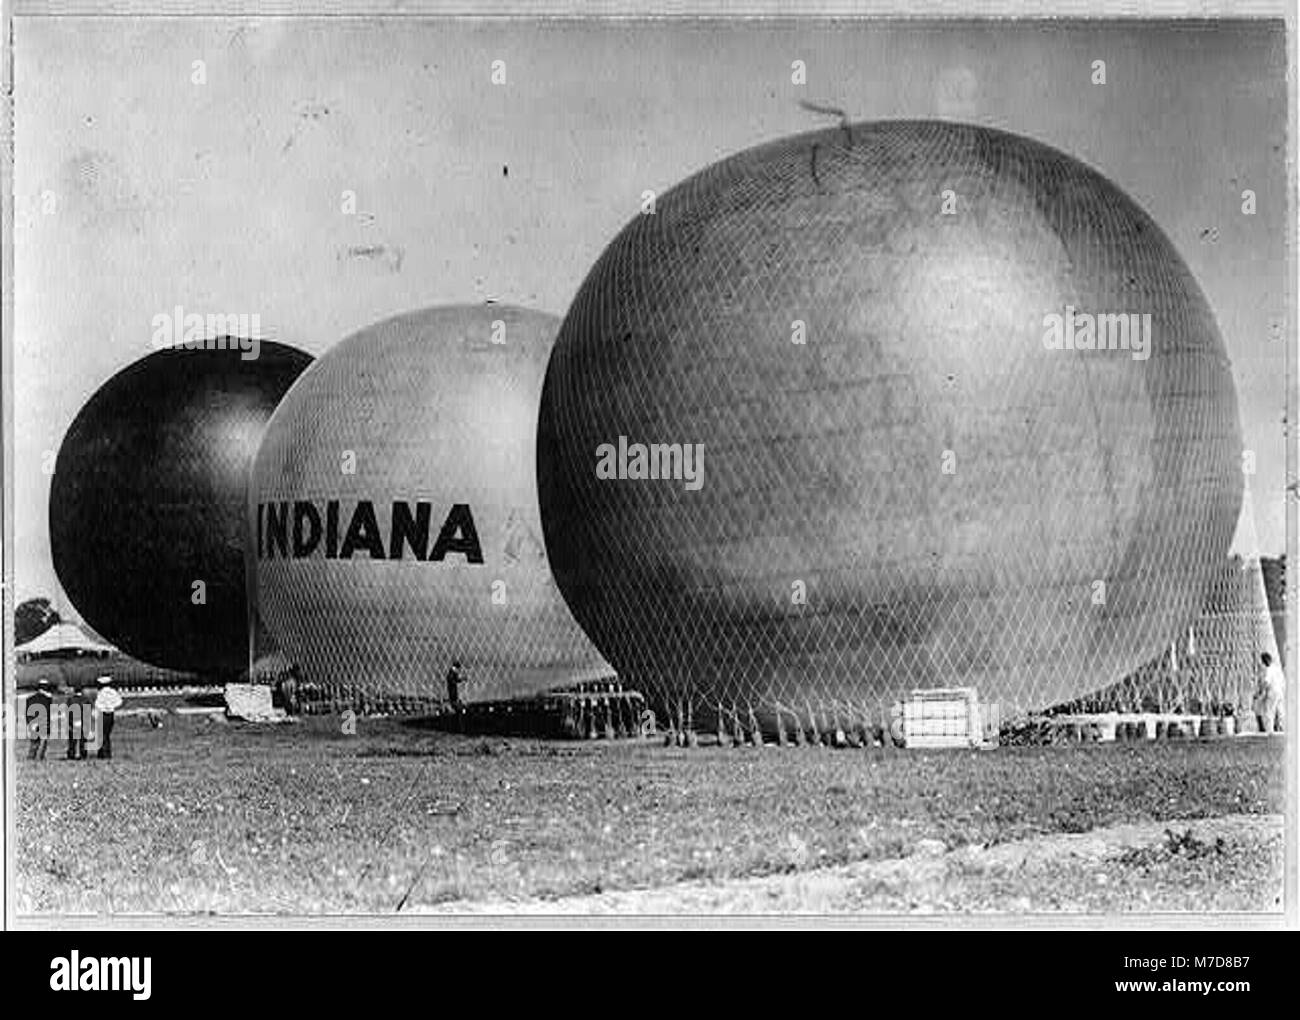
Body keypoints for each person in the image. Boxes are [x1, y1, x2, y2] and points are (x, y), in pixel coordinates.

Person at [94, 675, 123, 759]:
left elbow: (97, 705)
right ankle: (106, 752)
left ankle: (103, 753)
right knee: (107, 734)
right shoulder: (113, 692)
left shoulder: (100, 693)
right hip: (110, 714)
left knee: (102, 734)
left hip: (102, 714)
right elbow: (119, 702)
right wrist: (111, 706)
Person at [1256, 652, 1285, 734]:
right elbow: (1282, 681)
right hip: (1280, 692)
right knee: (1280, 712)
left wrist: (1260, 691)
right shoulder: (1277, 668)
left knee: (1269, 711)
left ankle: (1270, 731)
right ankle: (1282, 729)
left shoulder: (1269, 669)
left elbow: (1266, 682)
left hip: (1272, 692)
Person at [26, 679, 53, 760]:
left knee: (34, 742)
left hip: (33, 722)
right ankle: (40, 757)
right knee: (43, 741)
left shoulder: (30, 698)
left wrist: (29, 722)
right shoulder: (47, 699)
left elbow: (27, 712)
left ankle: (31, 757)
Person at [65, 683, 90, 760]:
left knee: (72, 740)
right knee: (83, 740)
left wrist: (69, 722)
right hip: (83, 721)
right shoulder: (86, 699)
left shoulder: (70, 699)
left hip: (73, 721)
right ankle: (83, 755)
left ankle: (71, 754)